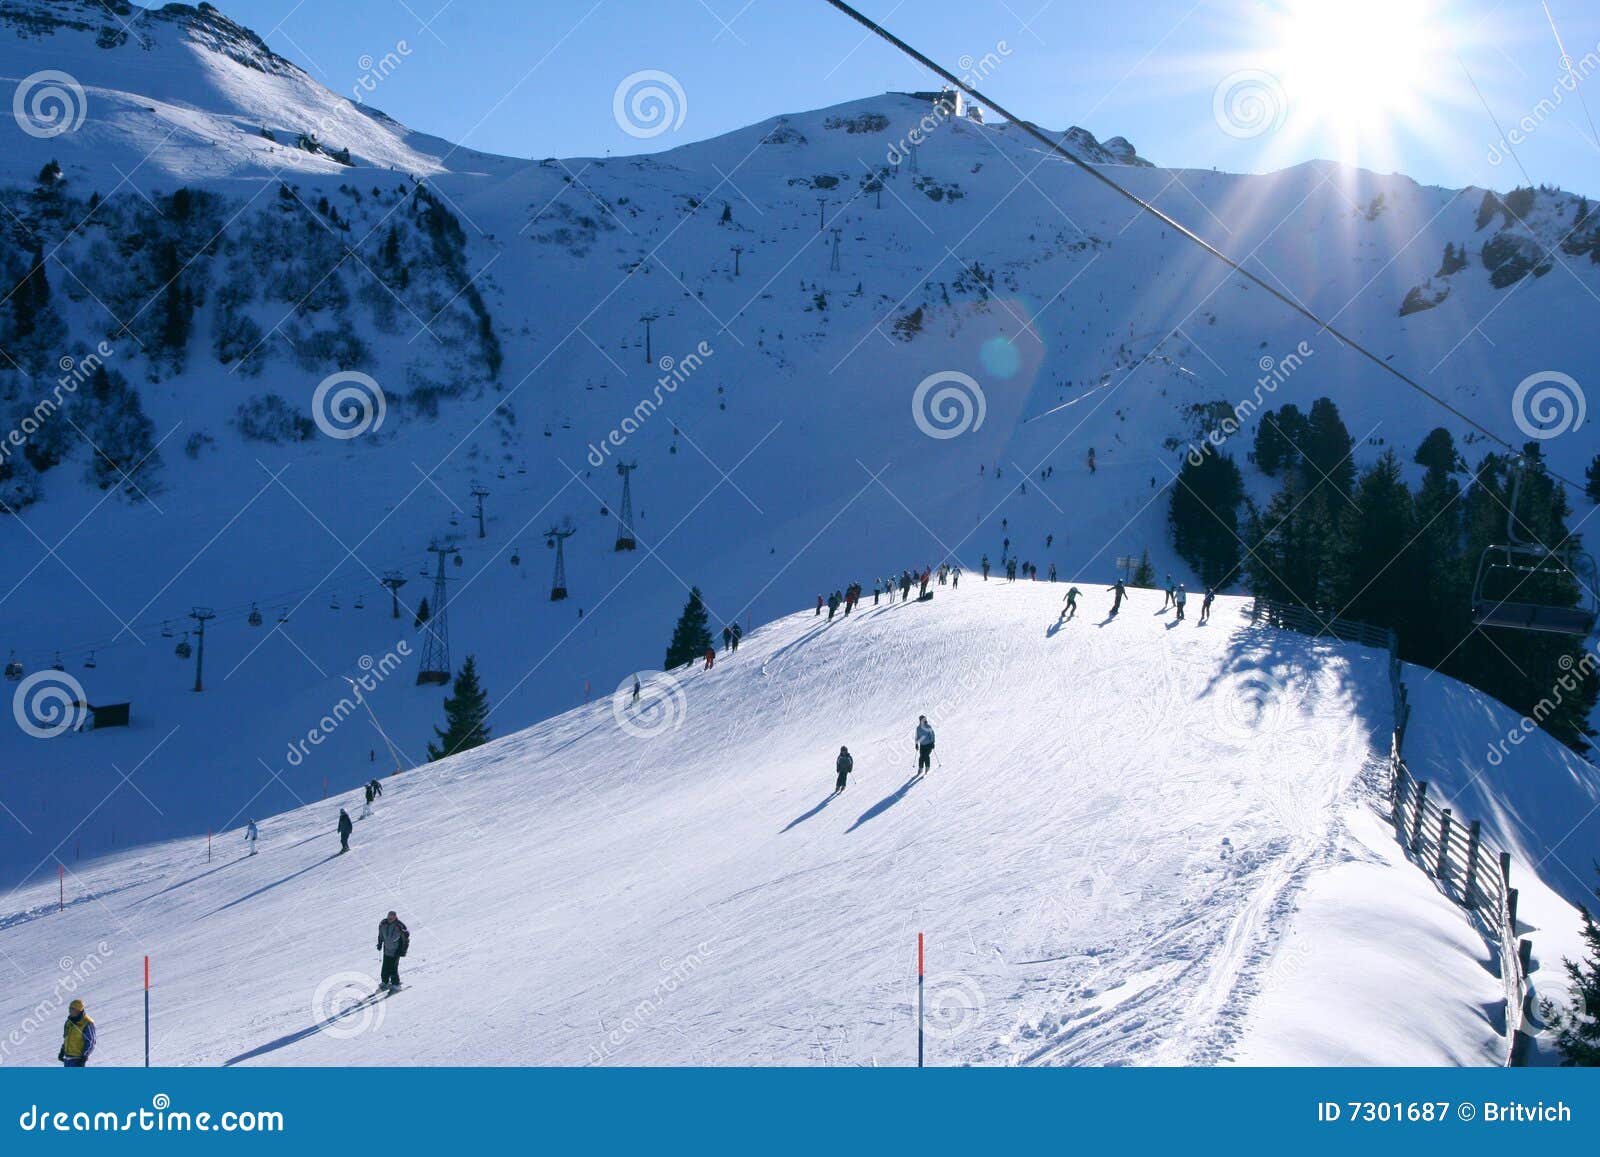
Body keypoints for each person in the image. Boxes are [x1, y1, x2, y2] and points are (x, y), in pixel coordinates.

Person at [377, 911, 409, 991]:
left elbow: (405, 939)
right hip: (387, 950)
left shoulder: (399, 925)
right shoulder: (383, 924)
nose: (390, 919)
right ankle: (385, 981)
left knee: (393, 968)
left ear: (395, 917)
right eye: (389, 917)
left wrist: (402, 951)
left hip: (396, 951)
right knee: (385, 967)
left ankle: (396, 985)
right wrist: (380, 943)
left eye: (392, 917)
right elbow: (381, 935)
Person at [58, 999, 94, 1067]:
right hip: (67, 1059)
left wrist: (84, 1057)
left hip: (77, 1059)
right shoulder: (68, 1022)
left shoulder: (87, 1023)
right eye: (69, 1008)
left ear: (78, 1010)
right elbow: (66, 1038)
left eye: (72, 1009)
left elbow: (91, 1042)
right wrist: (62, 1051)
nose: (69, 1011)